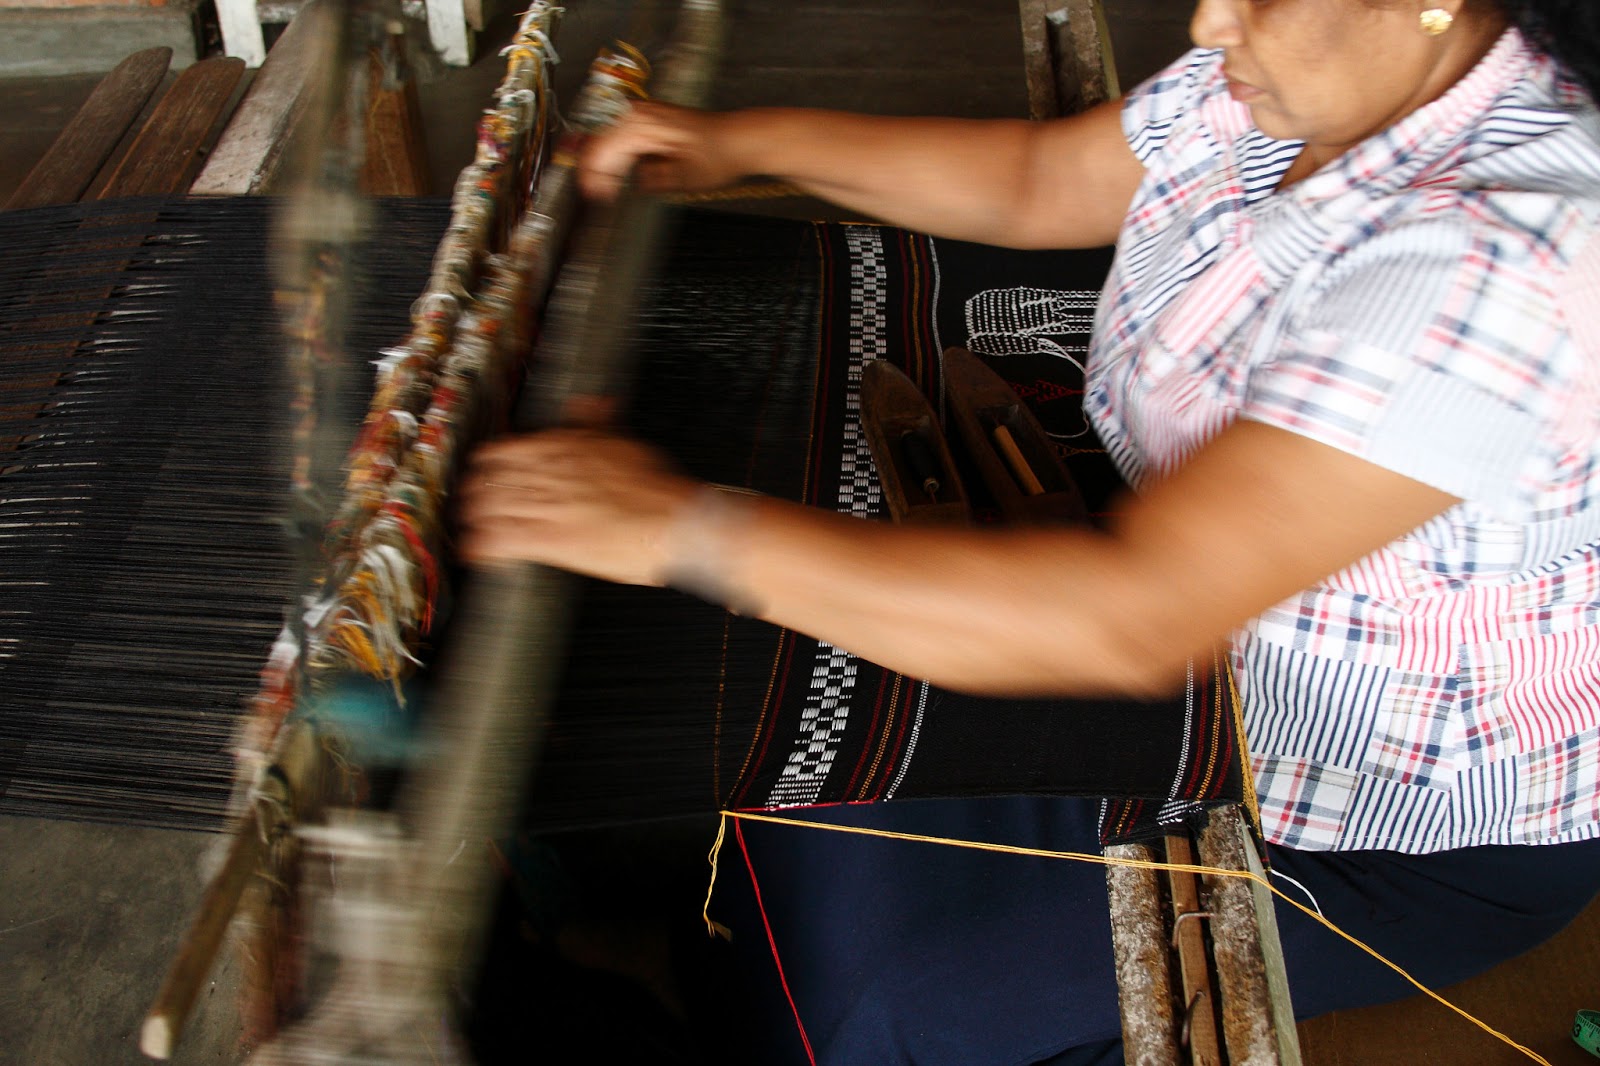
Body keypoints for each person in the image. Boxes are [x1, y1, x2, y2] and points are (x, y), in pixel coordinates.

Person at [460, 0, 1600, 1061]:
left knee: (878, 994)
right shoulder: (1304, 74)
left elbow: (1131, 616)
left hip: (1368, 815)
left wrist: (679, 528)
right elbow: (1041, 179)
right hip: (1191, 650)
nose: (1209, 22)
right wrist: (740, 142)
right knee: (793, 740)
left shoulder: (1508, 258)